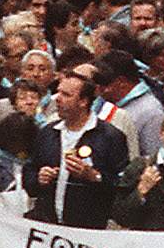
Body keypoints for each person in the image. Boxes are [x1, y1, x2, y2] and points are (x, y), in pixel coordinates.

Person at [29, 69, 128, 229]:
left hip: (88, 232)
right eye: (58, 92)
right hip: (47, 227)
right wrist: (39, 178)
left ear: (84, 101)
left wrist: (94, 176)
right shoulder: (48, 132)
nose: (58, 99)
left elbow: (123, 186)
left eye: (66, 95)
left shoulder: (111, 137)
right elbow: (30, 173)